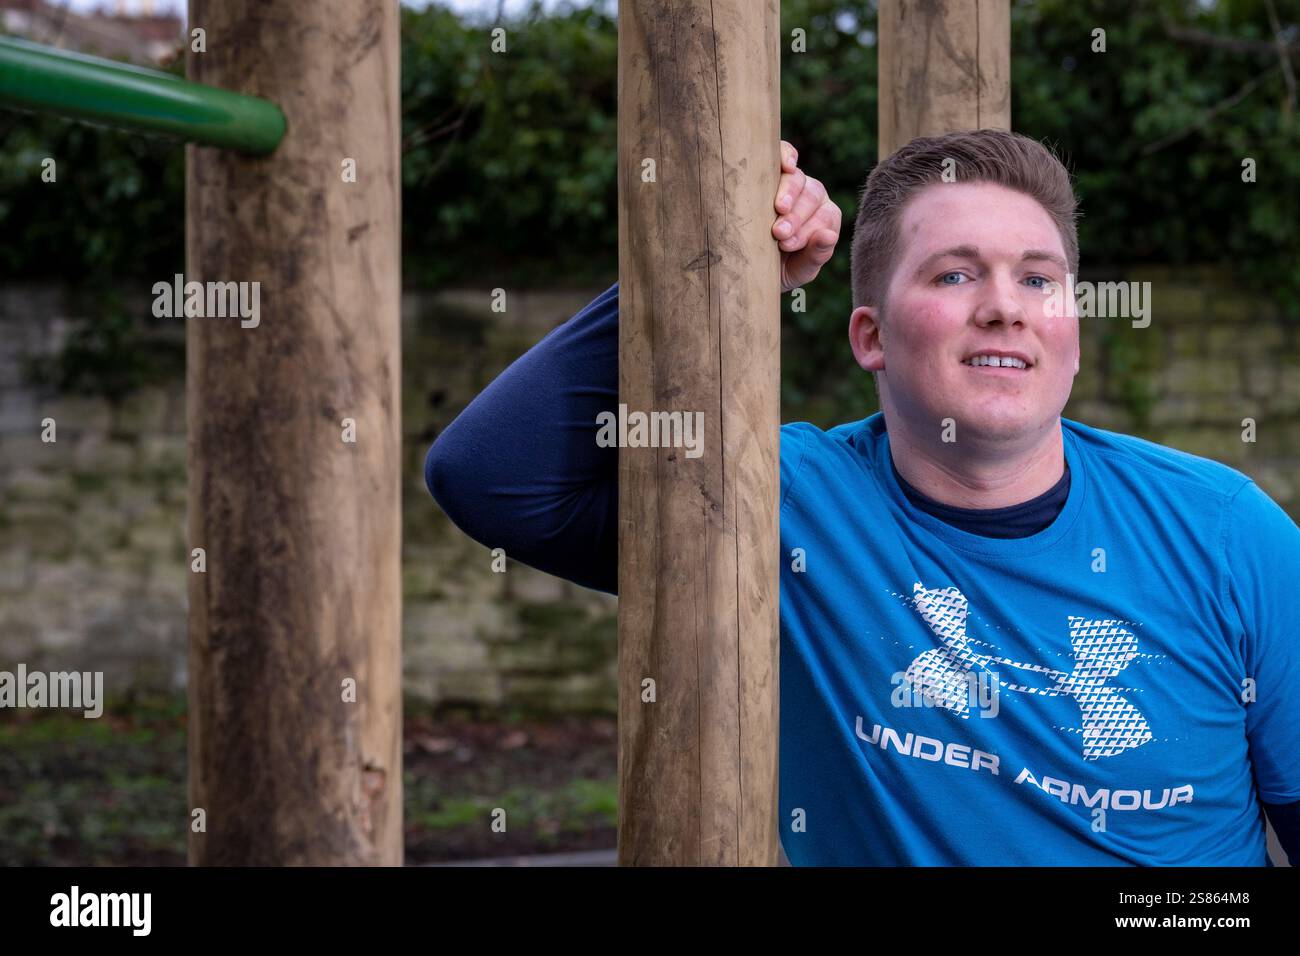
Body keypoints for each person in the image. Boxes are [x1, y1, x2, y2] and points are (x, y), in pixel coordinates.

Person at [425, 128, 1300, 866]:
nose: (1006, 308)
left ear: (1071, 328)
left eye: (1038, 278)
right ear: (870, 337)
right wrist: (721, 264)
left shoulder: (1226, 534)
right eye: (955, 275)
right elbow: (490, 478)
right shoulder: (780, 506)